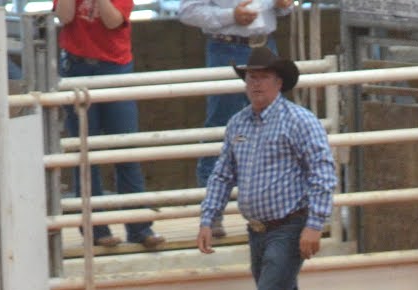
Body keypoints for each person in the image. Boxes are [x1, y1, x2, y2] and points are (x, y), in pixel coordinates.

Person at [198, 47, 339, 290]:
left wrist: (314, 224)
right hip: (261, 231)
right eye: (250, 76)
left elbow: (323, 173)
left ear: (279, 82)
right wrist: (208, 217)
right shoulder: (239, 124)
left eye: (262, 76)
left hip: (287, 228)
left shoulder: (298, 121)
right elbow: (222, 174)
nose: (255, 82)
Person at [58, 0, 161, 250]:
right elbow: (64, 16)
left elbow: (113, 20)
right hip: (78, 67)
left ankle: (139, 228)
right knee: (86, 152)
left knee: (126, 150)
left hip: (113, 66)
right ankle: (96, 229)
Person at [179, 0, 294, 207]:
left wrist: (283, 4)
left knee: (274, 123)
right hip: (228, 46)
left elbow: (285, 8)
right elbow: (187, 11)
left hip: (260, 43)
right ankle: (212, 208)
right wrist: (231, 15)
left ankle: (276, 204)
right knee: (221, 125)